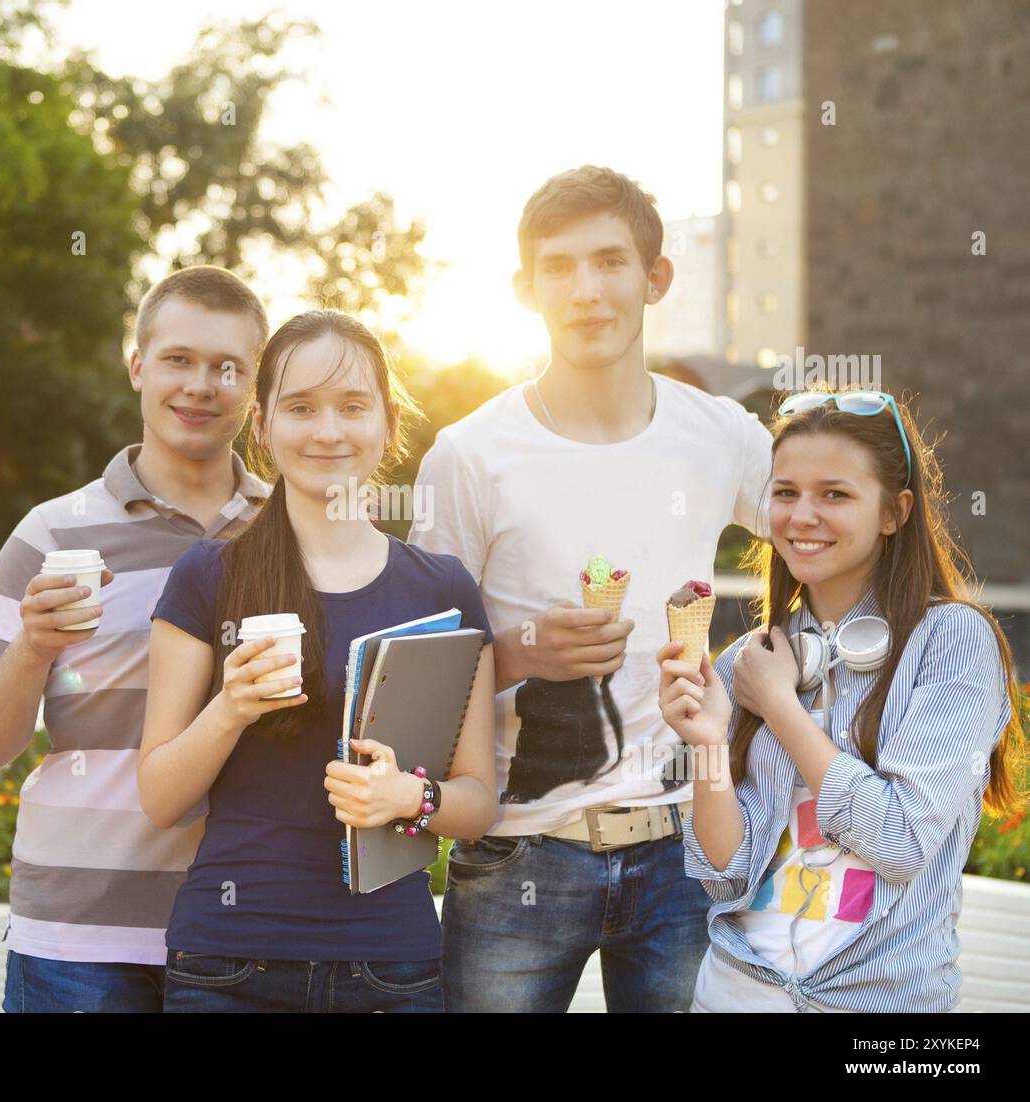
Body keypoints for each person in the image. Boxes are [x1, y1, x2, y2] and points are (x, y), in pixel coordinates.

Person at [408, 164, 776, 1012]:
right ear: (524, 289)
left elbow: (825, 535)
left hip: (683, 848)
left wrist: (784, 669)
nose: (586, 290)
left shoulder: (720, 433)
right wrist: (520, 651)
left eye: (610, 262)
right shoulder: (468, 456)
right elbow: (420, 670)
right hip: (518, 854)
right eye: (560, 267)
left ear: (655, 279)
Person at [139, 310, 498, 1013]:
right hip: (227, 964)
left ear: (388, 425)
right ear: (263, 426)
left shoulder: (442, 588)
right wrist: (230, 710)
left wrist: (413, 800)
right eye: (301, 408)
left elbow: (479, 801)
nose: (328, 431)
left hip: (391, 970)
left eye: (352, 407)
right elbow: (160, 799)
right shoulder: (207, 577)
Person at [0, 267, 273, 1012]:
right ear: (137, 367)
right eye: (178, 360)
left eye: (228, 367)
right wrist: (31, 646)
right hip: (77, 940)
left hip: (250, 934)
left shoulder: (290, 533)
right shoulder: (50, 536)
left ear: (255, 386)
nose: (201, 385)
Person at [657, 390, 1026, 1012]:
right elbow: (727, 873)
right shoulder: (750, 660)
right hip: (735, 995)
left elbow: (901, 840)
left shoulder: (952, 640)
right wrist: (710, 744)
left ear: (894, 511)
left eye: (835, 494)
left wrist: (783, 710)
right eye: (785, 492)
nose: (803, 515)